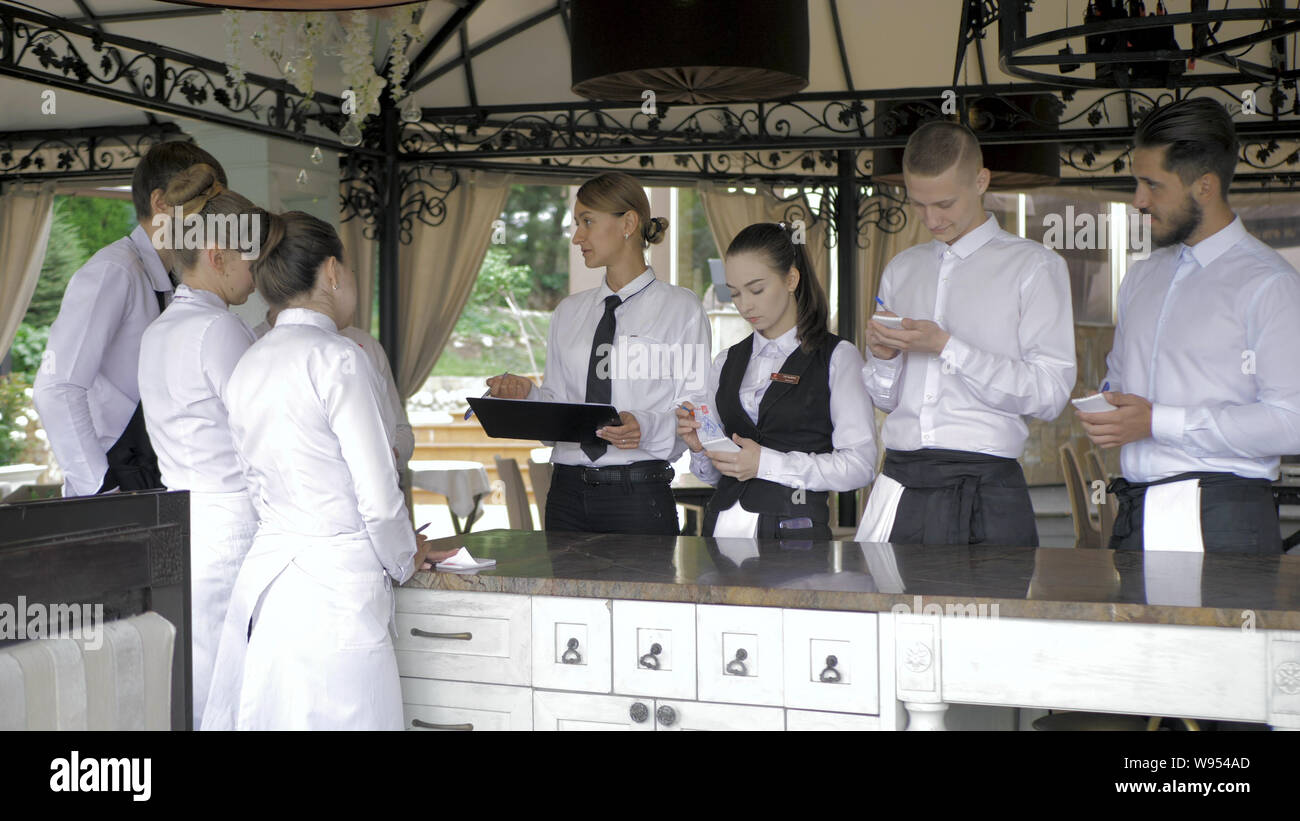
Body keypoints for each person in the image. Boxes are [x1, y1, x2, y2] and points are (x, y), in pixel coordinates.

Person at [202, 212, 450, 730]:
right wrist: (406, 557)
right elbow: (378, 494)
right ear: (332, 271)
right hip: (337, 582)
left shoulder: (250, 361)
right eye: (351, 272)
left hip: (270, 582)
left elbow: (254, 480)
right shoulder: (338, 357)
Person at [1078, 98, 1300, 553]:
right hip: (1135, 510)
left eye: (1152, 185)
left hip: (1222, 516)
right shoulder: (1141, 275)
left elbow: (1292, 422)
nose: (1138, 200)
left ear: (1204, 185)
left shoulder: (1269, 284)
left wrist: (1159, 421)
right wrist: (1111, 409)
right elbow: (1119, 379)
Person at [856, 120, 1076, 546]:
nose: (931, 219)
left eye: (944, 203)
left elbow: (1049, 395)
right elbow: (885, 400)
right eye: (918, 204)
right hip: (899, 481)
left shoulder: (1034, 267)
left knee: (988, 613)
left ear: (981, 181)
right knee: (885, 613)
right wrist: (883, 360)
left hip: (985, 483)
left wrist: (946, 347)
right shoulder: (902, 269)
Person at [487, 172, 710, 535]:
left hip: (638, 496)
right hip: (565, 495)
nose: (577, 236)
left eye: (587, 221)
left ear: (629, 223)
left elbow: (697, 406)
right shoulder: (568, 312)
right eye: (577, 224)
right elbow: (561, 407)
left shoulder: (681, 308)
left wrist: (647, 425)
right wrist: (528, 395)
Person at [135, 165, 265, 728]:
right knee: (231, 685)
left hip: (181, 521)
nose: (256, 274)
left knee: (196, 676)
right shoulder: (222, 331)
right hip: (233, 523)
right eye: (250, 259)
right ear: (218, 256)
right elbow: (263, 437)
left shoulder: (158, 330)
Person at [34, 141, 228, 497]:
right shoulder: (114, 271)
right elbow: (55, 387)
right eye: (206, 204)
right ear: (160, 204)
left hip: (155, 473)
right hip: (115, 479)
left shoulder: (175, 280)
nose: (216, 217)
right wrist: (101, 488)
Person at [676, 222, 877, 540]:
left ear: (791, 279)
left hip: (797, 541)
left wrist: (766, 464)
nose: (745, 305)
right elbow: (716, 477)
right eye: (735, 293)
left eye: (756, 289)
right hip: (720, 535)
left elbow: (860, 466)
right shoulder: (725, 361)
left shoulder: (838, 357)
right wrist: (702, 449)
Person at [253, 306, 413, 466]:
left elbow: (402, 432)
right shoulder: (254, 344)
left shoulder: (363, 345)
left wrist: (384, 456)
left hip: (364, 480)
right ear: (332, 280)